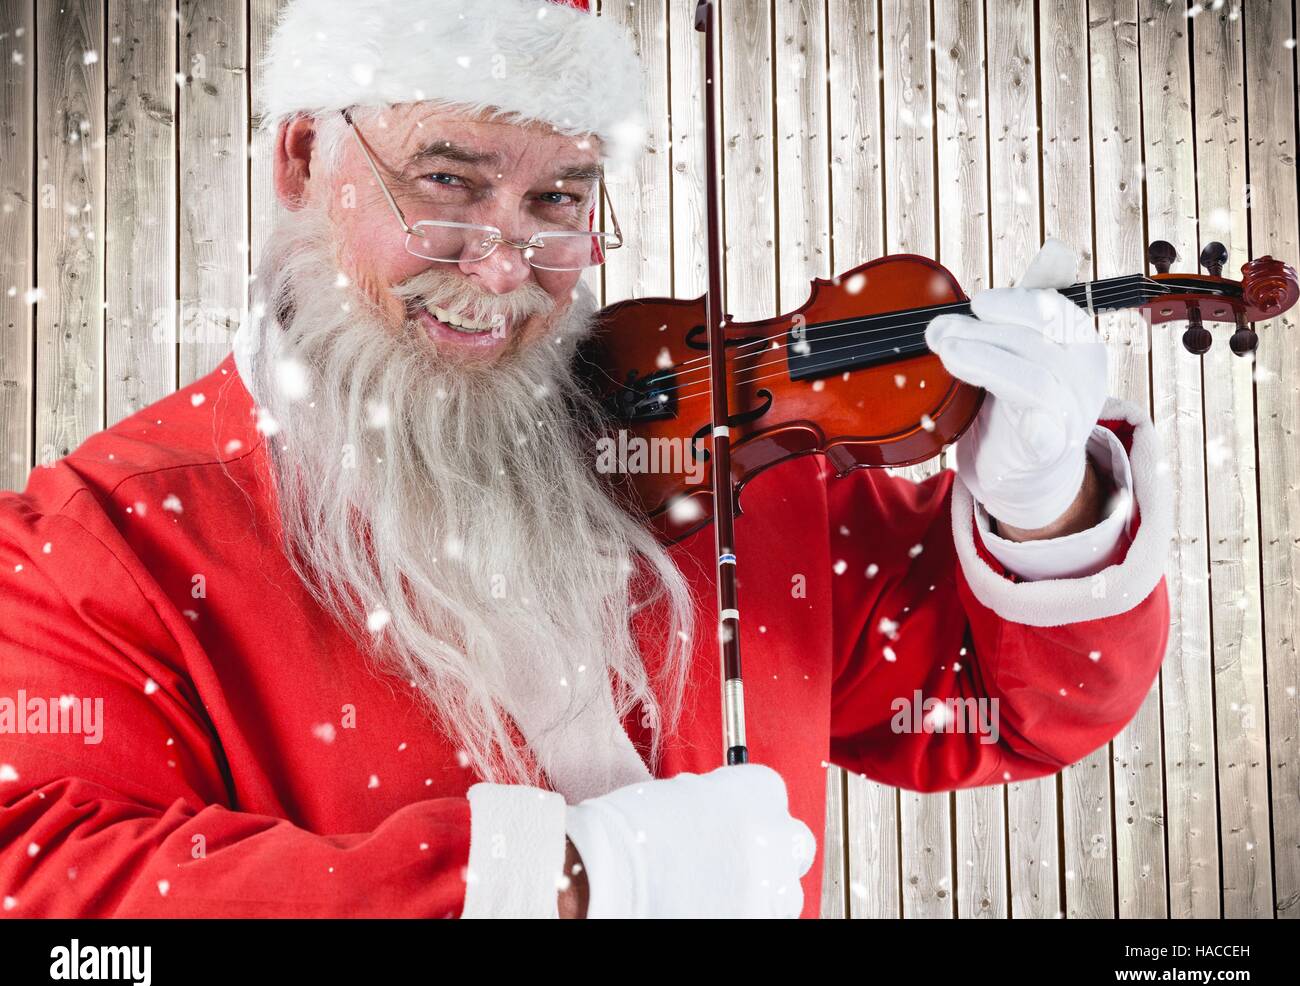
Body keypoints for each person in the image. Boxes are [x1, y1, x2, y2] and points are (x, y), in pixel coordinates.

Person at [0, 0, 1171, 919]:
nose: (505, 268)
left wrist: (1041, 501)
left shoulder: (708, 457)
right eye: (446, 181)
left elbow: (996, 711)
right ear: (303, 159)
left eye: (558, 198)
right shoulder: (96, 539)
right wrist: (553, 885)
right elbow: (58, 897)